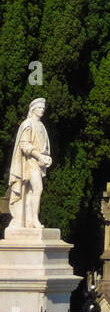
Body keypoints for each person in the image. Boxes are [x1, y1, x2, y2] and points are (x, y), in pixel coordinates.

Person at [7, 98, 52, 231]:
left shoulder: (41, 126)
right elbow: (24, 144)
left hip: (37, 162)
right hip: (28, 162)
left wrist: (46, 158)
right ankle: (33, 220)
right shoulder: (28, 124)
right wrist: (39, 156)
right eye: (39, 107)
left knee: (32, 191)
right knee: (37, 188)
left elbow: (44, 147)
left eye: (43, 108)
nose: (42, 110)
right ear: (33, 109)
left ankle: (29, 220)